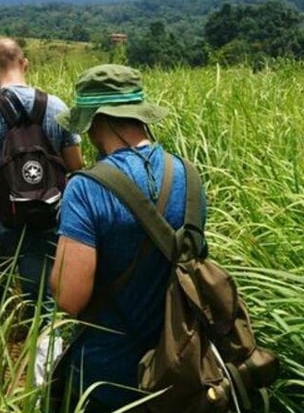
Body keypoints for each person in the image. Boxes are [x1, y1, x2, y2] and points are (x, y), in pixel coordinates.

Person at [49, 64, 207, 412]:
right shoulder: (190, 176)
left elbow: (69, 298)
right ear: (138, 114)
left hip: (105, 378)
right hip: (179, 369)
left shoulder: (86, 188)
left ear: (96, 121)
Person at [0, 38, 84, 310]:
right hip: (45, 218)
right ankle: (43, 350)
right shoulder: (57, 106)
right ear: (25, 64)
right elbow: (76, 165)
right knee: (42, 302)